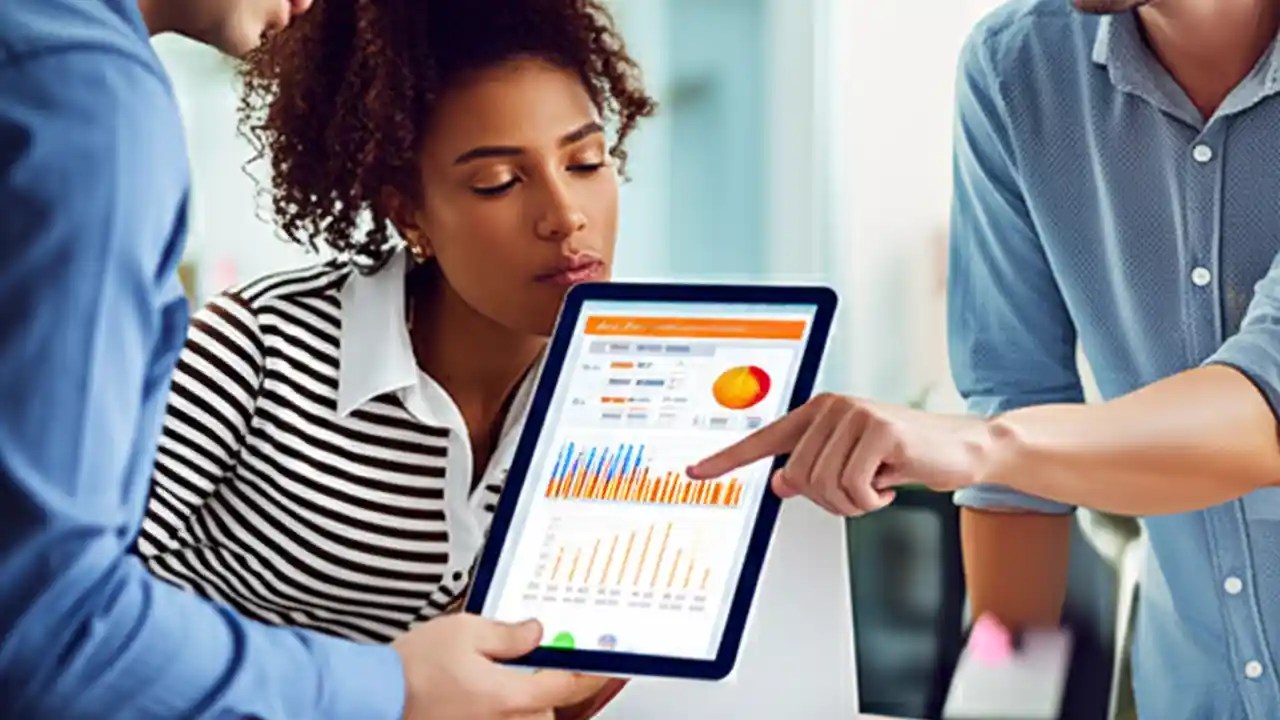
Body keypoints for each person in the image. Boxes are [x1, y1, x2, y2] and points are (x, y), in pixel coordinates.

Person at [0, 0, 621, 717]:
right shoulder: (258, 349)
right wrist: (383, 687)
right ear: (409, 214)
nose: (565, 215)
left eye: (587, 162)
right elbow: (56, 615)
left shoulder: (627, 391)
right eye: (497, 183)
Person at [690, 0, 1280, 716]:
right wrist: (1004, 695)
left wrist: (985, 446)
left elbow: (1262, 412)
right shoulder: (1018, 69)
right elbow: (1015, 391)